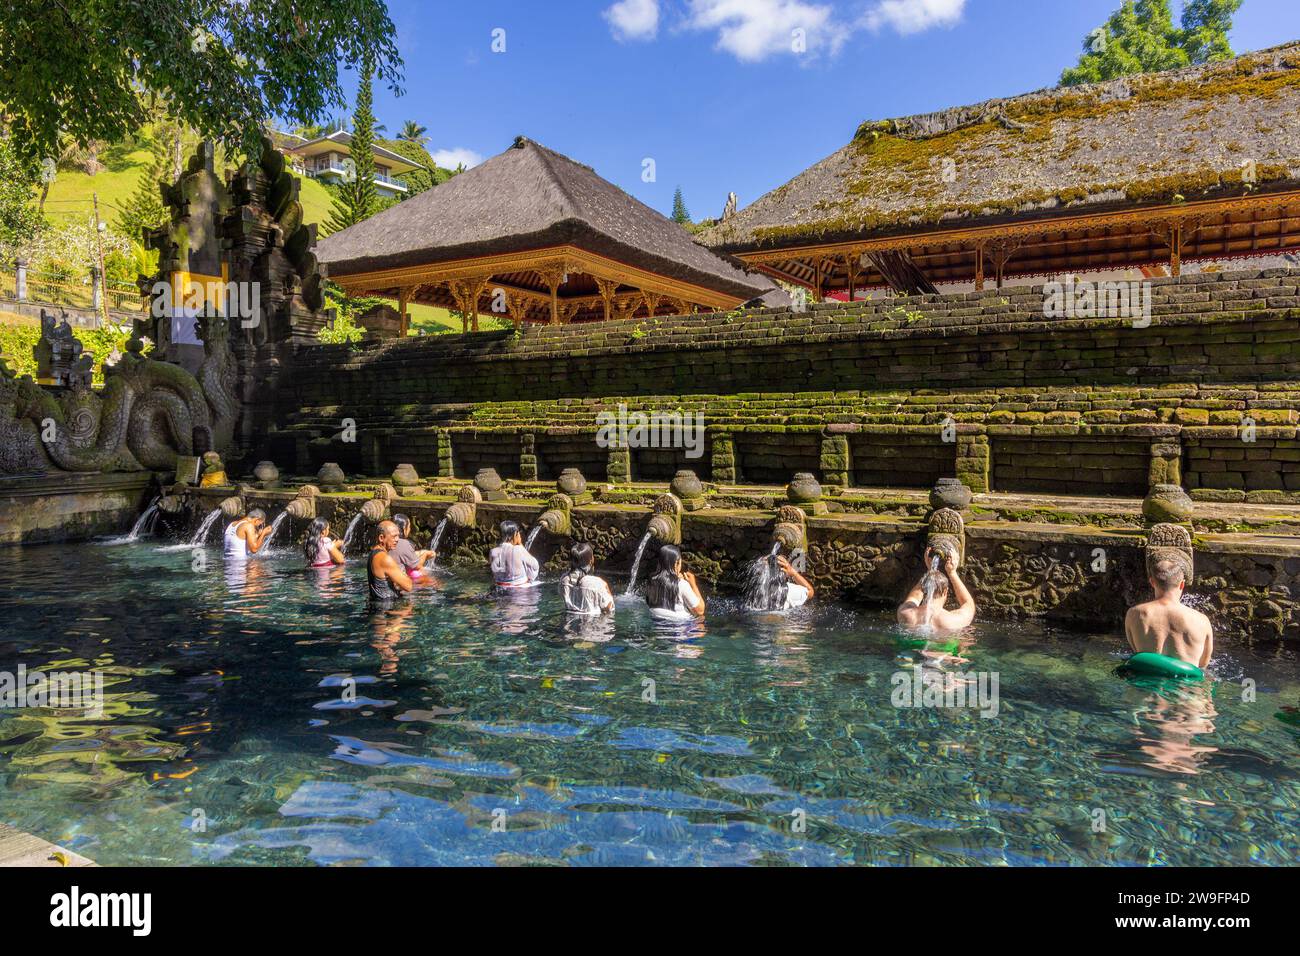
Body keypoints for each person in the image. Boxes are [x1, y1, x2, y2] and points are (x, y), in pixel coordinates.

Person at [1125, 558, 1213, 669]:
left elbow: (1136, 652)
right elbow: (1203, 664)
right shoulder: (1202, 621)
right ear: (1182, 585)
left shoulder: (1135, 614)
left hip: (1146, 681)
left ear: (1152, 582)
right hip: (1186, 685)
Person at [897, 547, 975, 632]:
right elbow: (969, 604)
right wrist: (952, 573)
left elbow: (914, 597)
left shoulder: (905, 613)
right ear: (945, 591)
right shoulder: (952, 620)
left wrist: (930, 571)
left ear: (923, 589)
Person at [645, 544, 705, 621]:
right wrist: (693, 584)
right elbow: (700, 611)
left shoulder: (651, 580)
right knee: (701, 619)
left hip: (658, 624)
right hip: (680, 627)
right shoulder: (682, 584)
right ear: (676, 563)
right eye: (680, 562)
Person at [561, 542, 615, 615]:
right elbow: (609, 608)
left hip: (568, 622)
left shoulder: (564, 579)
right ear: (591, 560)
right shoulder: (598, 583)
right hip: (592, 623)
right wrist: (606, 588)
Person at [368, 520, 413, 604]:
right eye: (394, 536)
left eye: (398, 536)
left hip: (378, 606)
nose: (397, 539)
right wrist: (404, 575)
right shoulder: (384, 559)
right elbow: (409, 586)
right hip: (387, 609)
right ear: (381, 538)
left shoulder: (373, 553)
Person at [489, 520, 539, 588]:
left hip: (499, 588)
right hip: (519, 591)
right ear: (515, 534)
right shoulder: (518, 549)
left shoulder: (493, 552)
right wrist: (520, 544)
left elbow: (495, 574)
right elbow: (535, 567)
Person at [390, 514, 435, 581]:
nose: (410, 529)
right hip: (401, 579)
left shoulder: (387, 540)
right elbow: (417, 566)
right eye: (409, 527)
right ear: (404, 528)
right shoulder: (404, 543)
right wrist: (425, 555)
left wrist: (419, 553)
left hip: (390, 574)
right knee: (422, 572)